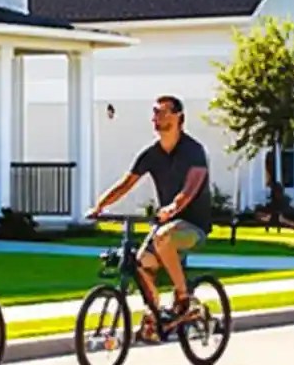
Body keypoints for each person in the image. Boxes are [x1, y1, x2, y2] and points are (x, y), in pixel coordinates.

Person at [87, 95, 212, 341]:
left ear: (179, 118)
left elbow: (192, 186)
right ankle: (155, 316)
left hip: (194, 227)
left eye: (164, 112)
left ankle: (184, 296)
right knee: (139, 262)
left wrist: (173, 207)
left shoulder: (193, 151)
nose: (157, 118)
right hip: (167, 225)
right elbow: (126, 184)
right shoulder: (152, 155)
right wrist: (100, 206)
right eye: (155, 112)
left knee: (164, 236)